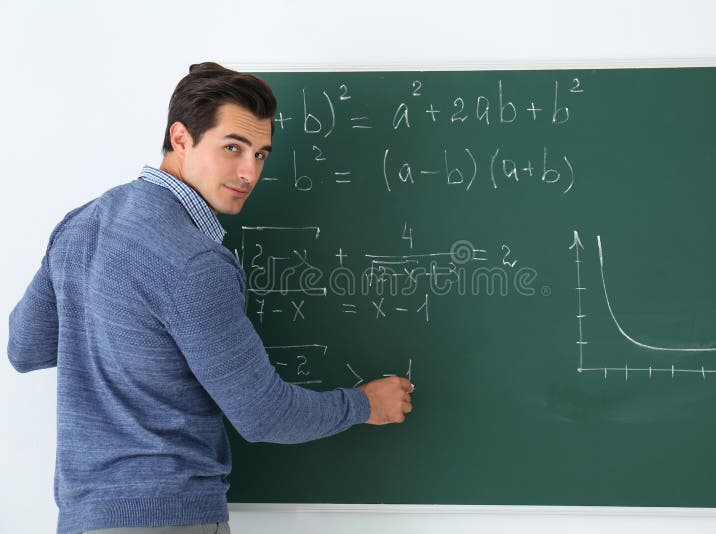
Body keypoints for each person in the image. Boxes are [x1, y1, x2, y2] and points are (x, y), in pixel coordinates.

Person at [7, 62, 414, 534]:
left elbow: (24, 347)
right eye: (232, 148)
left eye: (261, 154)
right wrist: (364, 404)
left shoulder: (81, 224)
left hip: (82, 518)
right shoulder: (194, 260)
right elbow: (263, 415)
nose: (249, 171)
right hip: (169, 516)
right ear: (180, 138)